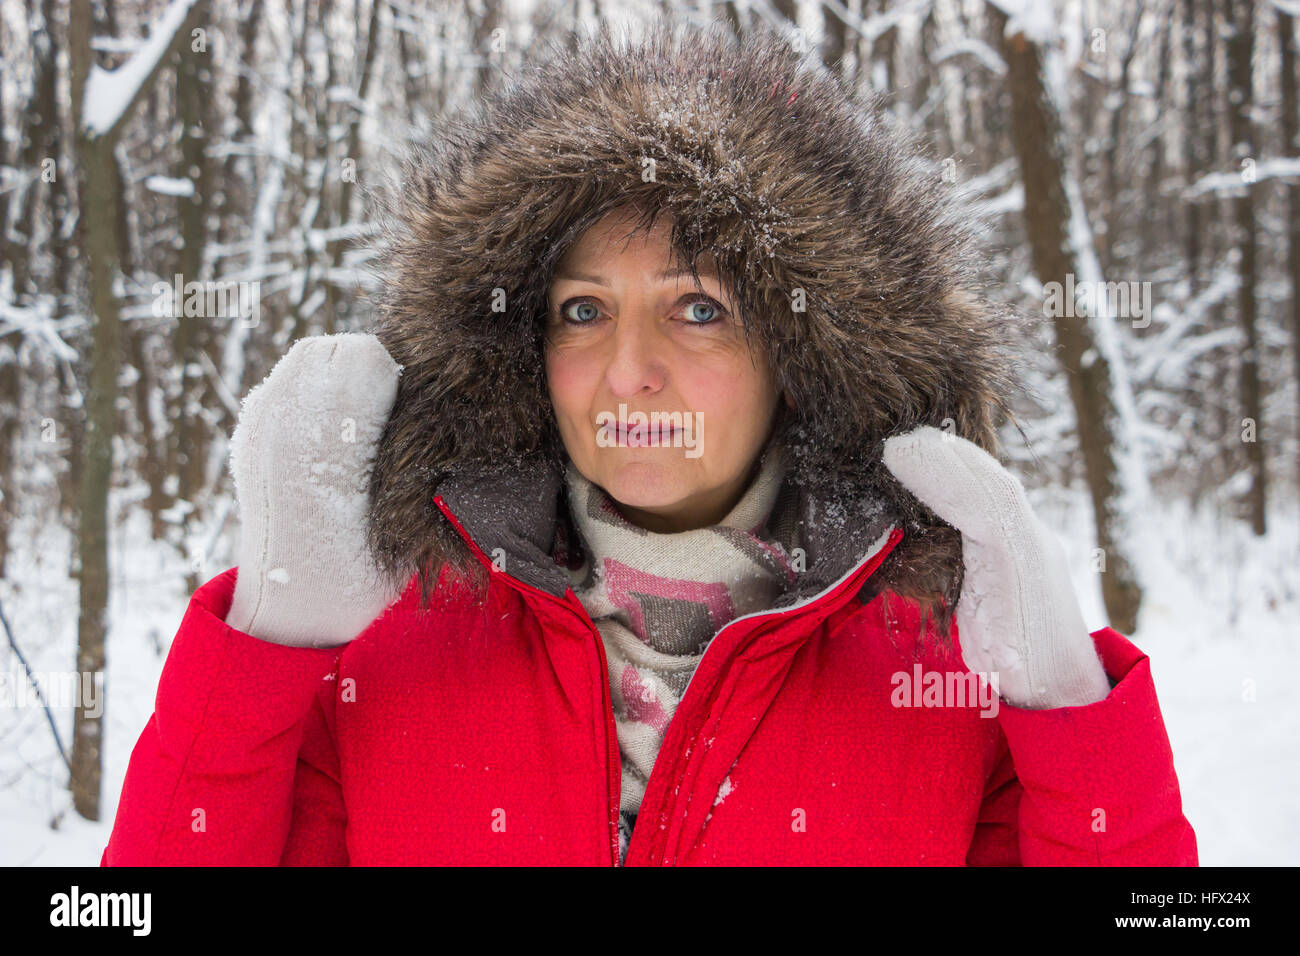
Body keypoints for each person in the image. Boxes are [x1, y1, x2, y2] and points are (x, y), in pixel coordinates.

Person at [100, 20, 1197, 866]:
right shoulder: (381, 655)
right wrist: (263, 653)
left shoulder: (946, 683)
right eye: (582, 311)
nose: (628, 368)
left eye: (699, 308)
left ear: (799, 352)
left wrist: (1070, 720)